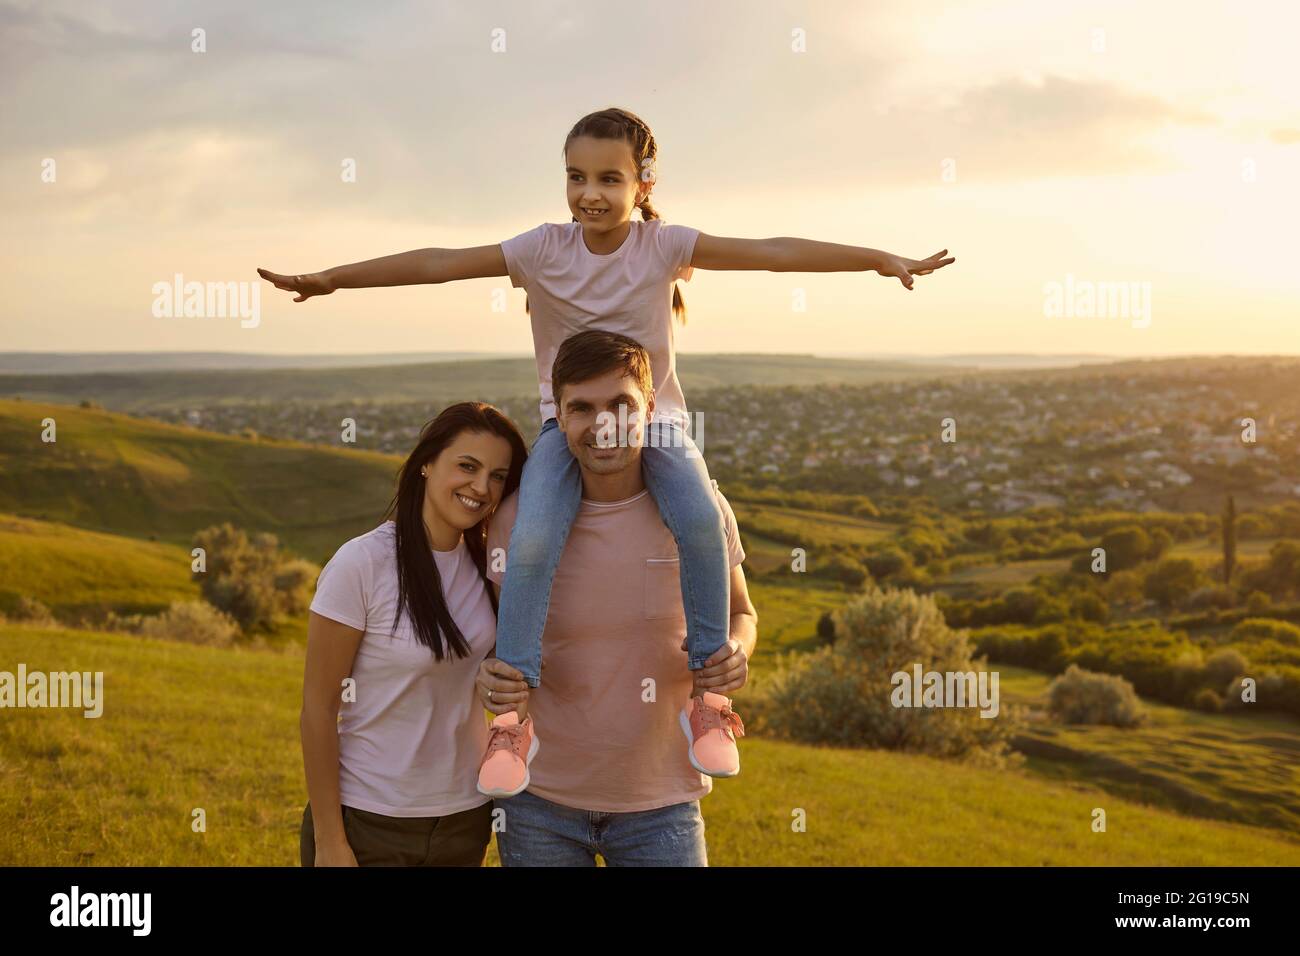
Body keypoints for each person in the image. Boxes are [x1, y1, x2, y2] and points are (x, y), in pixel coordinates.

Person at [259, 105, 954, 794]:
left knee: (699, 522)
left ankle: (708, 700)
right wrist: (333, 278)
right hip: (568, 429)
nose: (589, 193)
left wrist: (877, 260)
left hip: (658, 425)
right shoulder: (542, 249)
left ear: (642, 184)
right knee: (532, 537)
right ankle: (513, 717)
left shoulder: (664, 247)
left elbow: (773, 253)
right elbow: (439, 264)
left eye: (608, 179)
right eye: (576, 176)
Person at [476, 330, 758, 866]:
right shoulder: (516, 521)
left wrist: (738, 650)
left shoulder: (703, 511)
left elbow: (742, 613)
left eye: (620, 405)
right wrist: (489, 674)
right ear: (558, 416)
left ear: (650, 408)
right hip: (537, 802)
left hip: (663, 803)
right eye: (581, 408)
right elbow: (494, 637)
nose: (602, 424)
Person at [298, 402, 526, 866]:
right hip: (370, 820)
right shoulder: (362, 564)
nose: (481, 487)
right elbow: (317, 711)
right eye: (467, 466)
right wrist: (330, 841)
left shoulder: (491, 568)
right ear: (426, 463)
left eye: (498, 476)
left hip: (464, 818)